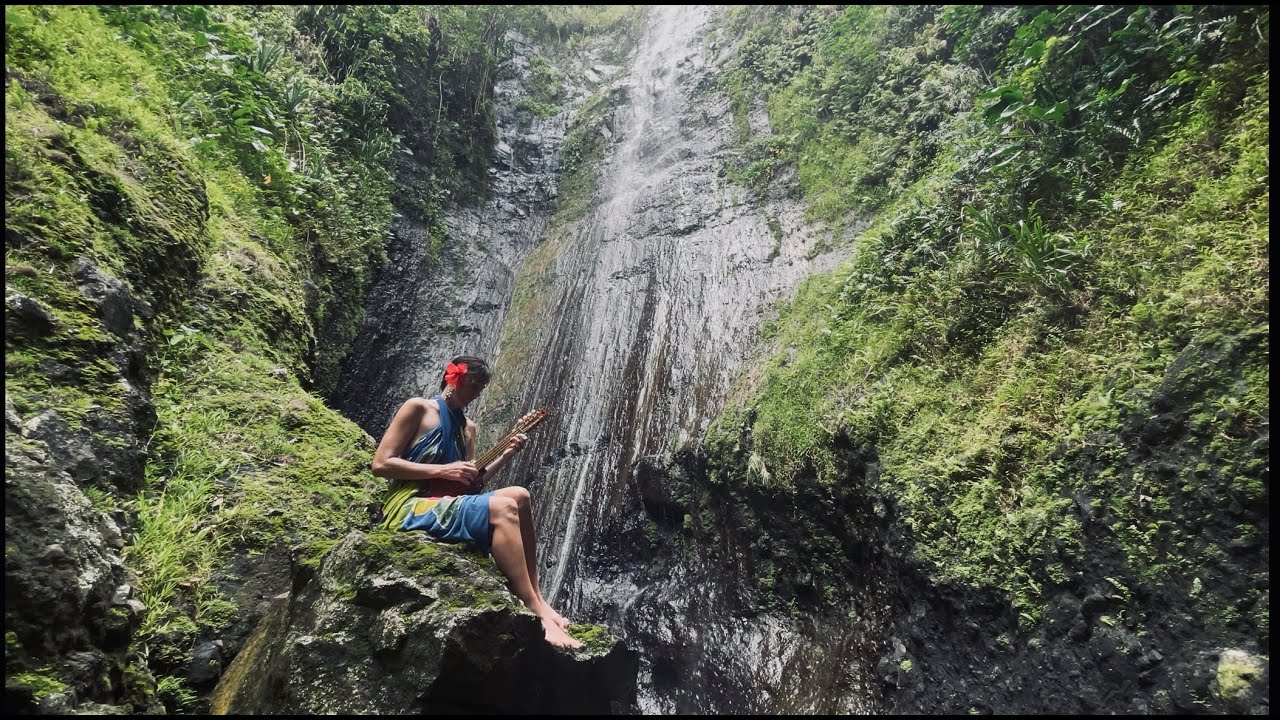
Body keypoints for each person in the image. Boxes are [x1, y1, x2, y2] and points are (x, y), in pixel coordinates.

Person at [371, 355, 582, 650]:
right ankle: (535, 611)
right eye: (474, 385)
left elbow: (471, 482)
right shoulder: (418, 408)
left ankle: (539, 596)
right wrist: (441, 469)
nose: (476, 393)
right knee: (503, 507)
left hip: (448, 502)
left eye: (481, 388)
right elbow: (381, 464)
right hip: (411, 504)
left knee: (520, 495)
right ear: (454, 379)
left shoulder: (468, 427)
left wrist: (506, 455)